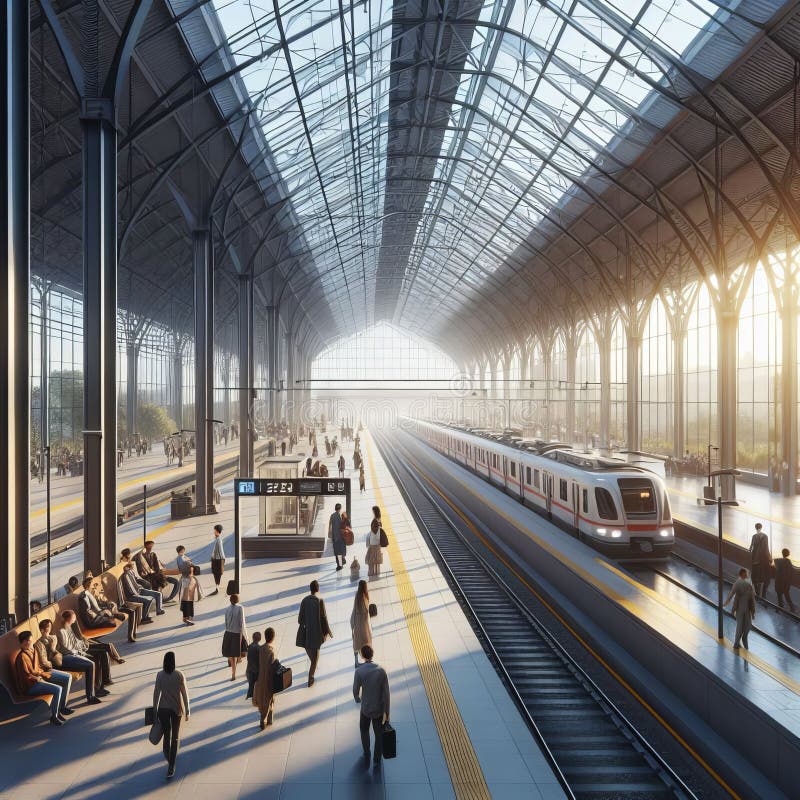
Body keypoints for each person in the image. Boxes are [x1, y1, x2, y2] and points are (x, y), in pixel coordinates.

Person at [36, 619, 104, 704]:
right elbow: (45, 662)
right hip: (57, 664)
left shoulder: (53, 637)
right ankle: (90, 697)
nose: (49, 629)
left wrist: (73, 652)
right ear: (41, 630)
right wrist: (53, 649)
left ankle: (93, 693)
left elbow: (61, 649)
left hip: (64, 658)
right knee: (89, 666)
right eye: (47, 627)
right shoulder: (39, 643)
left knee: (91, 664)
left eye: (50, 627)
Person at [14, 631, 74, 726]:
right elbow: (27, 677)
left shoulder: (33, 650)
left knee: (67, 677)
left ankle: (62, 707)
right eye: (28, 641)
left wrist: (45, 672)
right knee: (58, 689)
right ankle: (54, 716)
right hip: (31, 685)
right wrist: (40, 677)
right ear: (23, 642)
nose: (30, 642)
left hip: (41, 674)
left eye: (30, 640)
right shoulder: (21, 657)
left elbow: (38, 666)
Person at [152, 650, 190, 779]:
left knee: (166, 736)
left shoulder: (159, 675)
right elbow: (184, 693)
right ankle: (172, 765)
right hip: (176, 709)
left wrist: (154, 709)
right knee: (175, 737)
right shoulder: (179, 674)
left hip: (163, 709)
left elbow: (156, 693)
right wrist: (188, 710)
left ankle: (170, 761)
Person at [353, 645, 390, 766]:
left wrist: (357, 698)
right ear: (372, 654)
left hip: (366, 708)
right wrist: (387, 712)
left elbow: (355, 689)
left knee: (364, 730)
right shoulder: (381, 670)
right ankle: (377, 757)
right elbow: (386, 694)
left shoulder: (359, 671)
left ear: (363, 656)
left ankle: (366, 752)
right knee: (378, 734)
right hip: (378, 709)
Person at [58, 609, 116, 688]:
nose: (75, 619)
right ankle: (98, 686)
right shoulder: (63, 630)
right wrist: (81, 649)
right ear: (69, 619)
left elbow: (77, 638)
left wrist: (83, 643)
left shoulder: (71, 626)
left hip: (81, 648)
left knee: (104, 652)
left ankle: (106, 680)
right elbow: (68, 647)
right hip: (77, 652)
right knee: (98, 656)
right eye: (73, 617)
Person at [297, 580, 332, 687]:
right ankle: (310, 678)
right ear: (318, 589)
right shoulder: (320, 601)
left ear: (310, 589)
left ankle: (312, 669)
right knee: (314, 660)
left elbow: (299, 619)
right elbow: (324, 618)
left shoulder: (304, 600)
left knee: (312, 657)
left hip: (306, 635)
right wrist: (327, 632)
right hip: (316, 635)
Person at [724, 567, 756, 650]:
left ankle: (738, 641)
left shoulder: (741, 584)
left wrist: (728, 604)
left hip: (741, 609)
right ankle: (739, 641)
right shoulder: (746, 585)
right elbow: (751, 600)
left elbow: (732, 595)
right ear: (743, 574)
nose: (748, 574)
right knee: (745, 625)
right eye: (746, 573)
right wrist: (753, 612)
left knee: (741, 626)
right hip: (744, 609)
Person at [253, 628, 278, 729]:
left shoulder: (261, 648)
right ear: (273, 638)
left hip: (260, 678)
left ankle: (269, 719)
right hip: (269, 679)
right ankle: (263, 720)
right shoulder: (271, 650)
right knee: (269, 699)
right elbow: (274, 666)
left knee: (264, 699)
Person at [222, 593, 248, 680]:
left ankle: (233, 671)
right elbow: (241, 623)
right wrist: (242, 636)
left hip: (228, 632)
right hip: (236, 633)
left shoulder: (227, 609)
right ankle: (234, 673)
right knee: (235, 654)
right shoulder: (240, 608)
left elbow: (225, 623)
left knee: (229, 654)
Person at [350, 580, 372, 669]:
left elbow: (354, 611)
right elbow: (366, 612)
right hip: (364, 625)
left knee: (356, 643)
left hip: (357, 624)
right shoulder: (364, 596)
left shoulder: (357, 595)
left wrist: (353, 624)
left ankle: (356, 662)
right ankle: (366, 660)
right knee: (366, 642)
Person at [749, 523, 772, 598]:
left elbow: (750, 548)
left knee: (755, 577)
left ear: (755, 528)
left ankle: (757, 593)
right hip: (762, 560)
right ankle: (762, 596)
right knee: (763, 576)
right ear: (761, 528)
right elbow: (766, 549)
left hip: (754, 560)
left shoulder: (754, 536)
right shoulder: (765, 536)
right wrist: (770, 558)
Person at [245, 631, 262, 700]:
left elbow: (248, 659)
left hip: (249, 670)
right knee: (254, 686)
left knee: (251, 686)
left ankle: (250, 696)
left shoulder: (250, 647)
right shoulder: (259, 648)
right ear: (260, 639)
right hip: (255, 671)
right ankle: (252, 698)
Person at [329, 503, 346, 570]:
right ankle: (341, 563)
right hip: (341, 537)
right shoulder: (341, 516)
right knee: (341, 551)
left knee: (337, 552)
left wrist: (330, 535)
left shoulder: (332, 516)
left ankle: (339, 565)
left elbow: (330, 526)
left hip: (335, 537)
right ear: (340, 508)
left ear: (335, 508)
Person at [209, 524, 225, 596]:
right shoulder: (216, 539)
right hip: (215, 559)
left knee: (217, 573)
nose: (214, 532)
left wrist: (222, 558)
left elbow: (220, 550)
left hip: (218, 559)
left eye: (215, 530)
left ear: (218, 531)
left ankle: (217, 586)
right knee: (216, 573)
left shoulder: (218, 540)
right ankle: (217, 586)